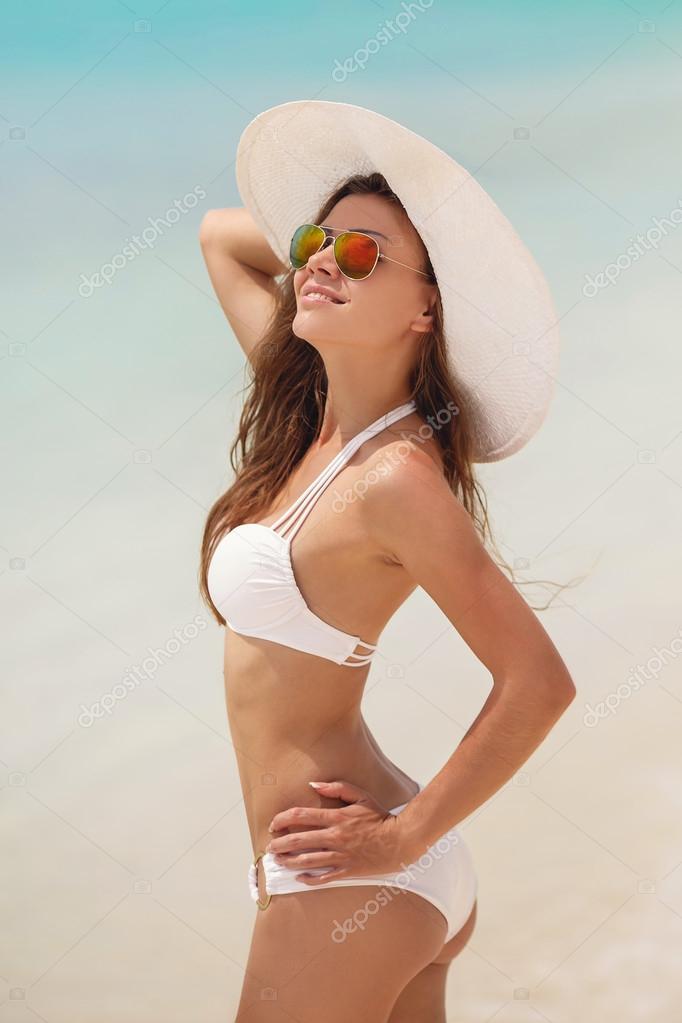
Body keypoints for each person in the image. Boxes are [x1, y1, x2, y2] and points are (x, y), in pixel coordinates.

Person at [198, 101, 576, 1023]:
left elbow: (538, 682)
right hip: (376, 877)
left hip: (348, 876)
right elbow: (221, 236)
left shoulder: (395, 478)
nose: (321, 259)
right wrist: (348, 250)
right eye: (315, 241)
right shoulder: (309, 422)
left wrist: (404, 836)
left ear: (425, 309)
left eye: (363, 255)